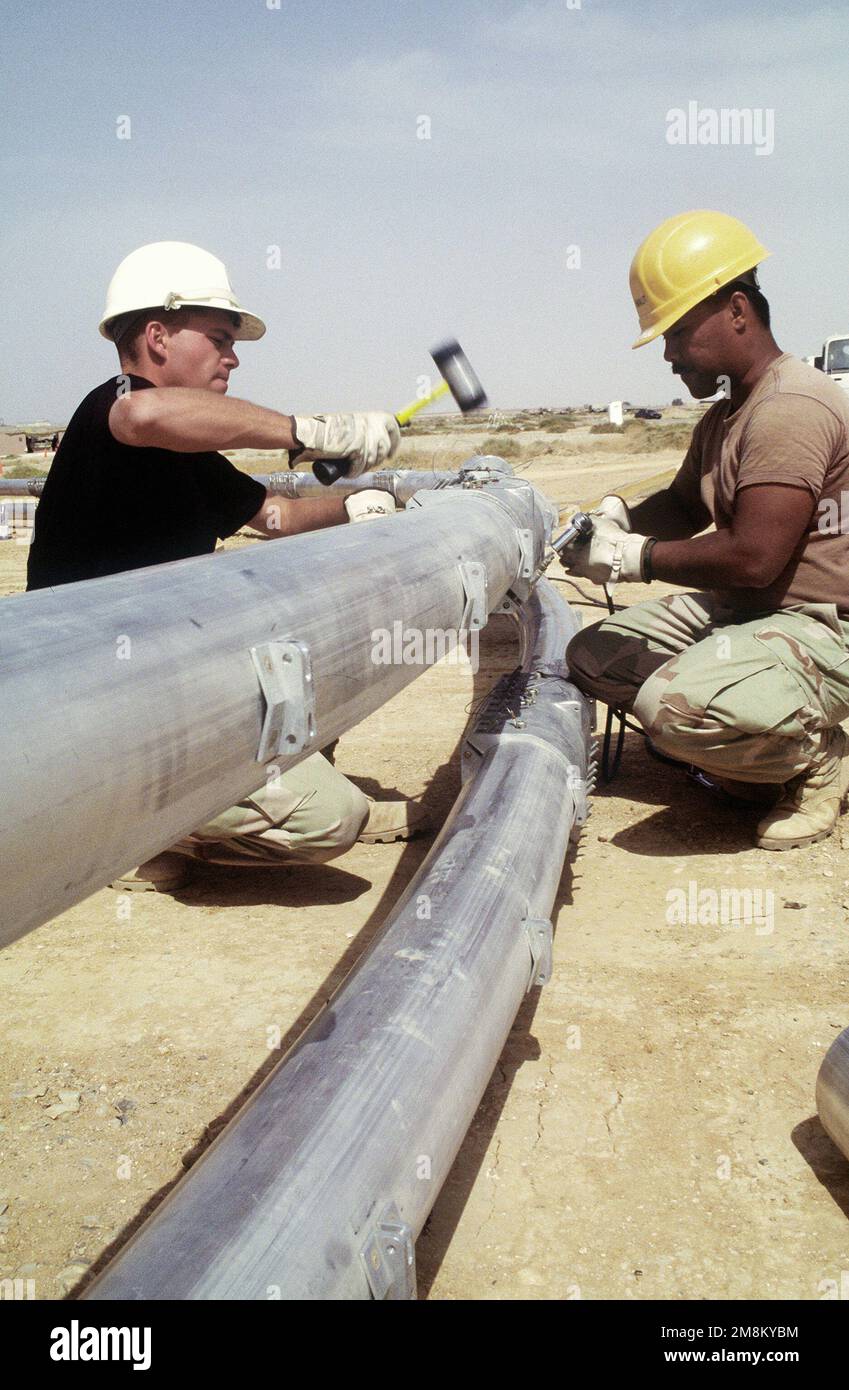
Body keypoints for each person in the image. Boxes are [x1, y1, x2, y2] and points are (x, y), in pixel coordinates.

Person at [27, 240, 430, 889]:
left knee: (314, 648)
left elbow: (275, 516)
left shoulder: (185, 451)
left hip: (157, 682)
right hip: (90, 703)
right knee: (329, 819)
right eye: (219, 337)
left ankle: (162, 807)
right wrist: (313, 430)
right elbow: (147, 413)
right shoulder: (117, 407)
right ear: (157, 337)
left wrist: (364, 504)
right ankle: (114, 833)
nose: (233, 356)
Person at [559, 210, 849, 850]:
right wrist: (616, 516)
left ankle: (822, 755)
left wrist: (635, 557)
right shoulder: (727, 414)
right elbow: (687, 505)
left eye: (678, 332)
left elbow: (753, 558)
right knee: (591, 655)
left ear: (738, 311)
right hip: (749, 614)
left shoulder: (790, 407)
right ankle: (753, 740)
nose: (667, 355)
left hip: (822, 622)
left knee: (673, 710)